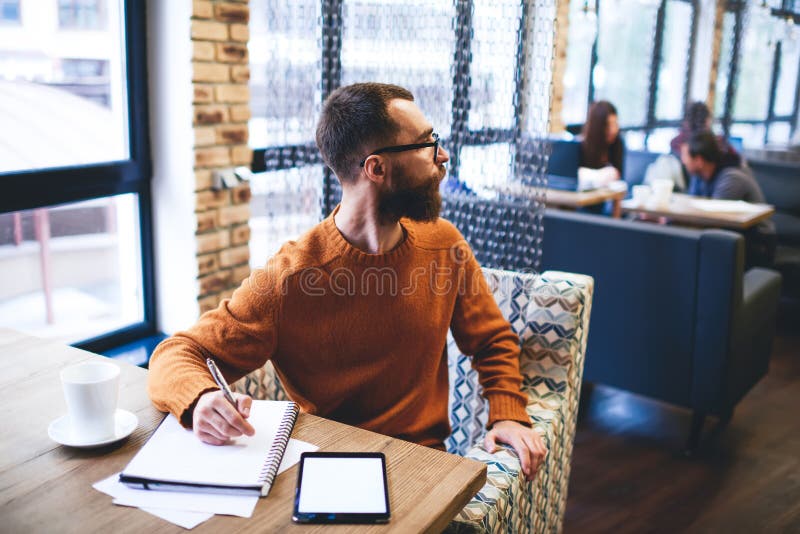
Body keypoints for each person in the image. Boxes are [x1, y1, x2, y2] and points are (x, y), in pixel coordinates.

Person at [147, 82, 547, 479]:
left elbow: (492, 340)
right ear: (376, 168)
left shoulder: (444, 244)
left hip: (422, 467)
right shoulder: (290, 279)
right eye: (427, 143)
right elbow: (176, 353)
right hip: (327, 472)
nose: (442, 156)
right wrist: (200, 399)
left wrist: (507, 414)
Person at [681, 130, 775, 266]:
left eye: (685, 156)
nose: (683, 161)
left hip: (757, 242)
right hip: (732, 236)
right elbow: (690, 204)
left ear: (699, 160)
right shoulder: (699, 175)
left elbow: (715, 219)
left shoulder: (732, 177)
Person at [579, 100, 625, 181]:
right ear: (597, 127)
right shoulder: (581, 147)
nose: (613, 130)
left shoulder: (617, 143)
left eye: (615, 124)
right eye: (608, 125)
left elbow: (619, 176)